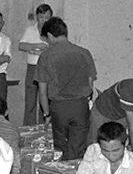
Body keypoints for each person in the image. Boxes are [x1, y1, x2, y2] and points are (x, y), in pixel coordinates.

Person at [36, 17, 96, 160]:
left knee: (61, 150)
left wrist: (47, 114)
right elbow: (90, 84)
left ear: (50, 36)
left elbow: (42, 92)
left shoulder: (45, 57)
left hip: (59, 108)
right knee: (79, 149)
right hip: (80, 106)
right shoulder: (84, 53)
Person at [18, 4, 52, 125]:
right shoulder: (30, 30)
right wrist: (36, 46)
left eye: (47, 17)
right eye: (42, 17)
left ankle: (44, 127)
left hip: (47, 68)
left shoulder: (52, 31)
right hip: (33, 67)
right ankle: (28, 127)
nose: (44, 20)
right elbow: (21, 45)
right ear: (37, 17)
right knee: (30, 100)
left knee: (45, 100)